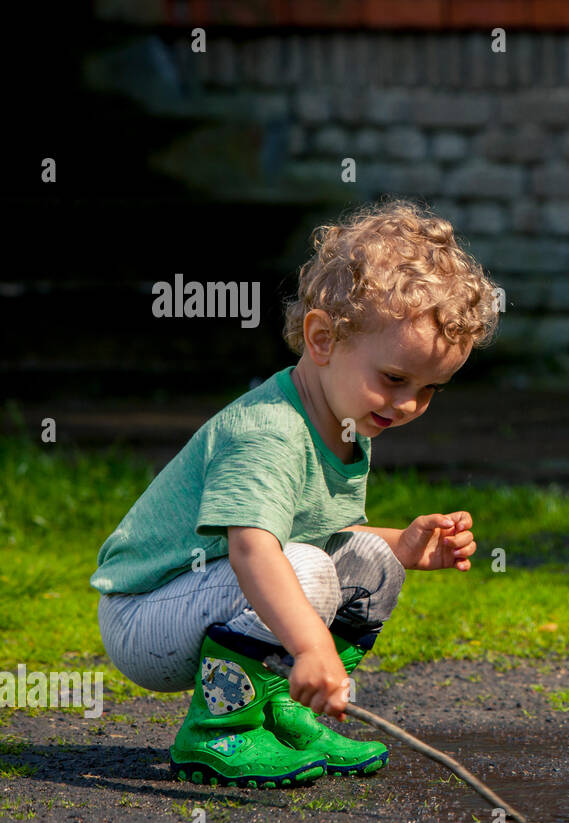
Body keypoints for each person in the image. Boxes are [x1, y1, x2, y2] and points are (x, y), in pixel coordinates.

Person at [90, 197, 499, 787]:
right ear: (323, 339)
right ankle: (219, 730)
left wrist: (403, 545)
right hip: (144, 615)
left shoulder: (345, 418)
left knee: (372, 563)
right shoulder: (270, 431)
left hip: (210, 596)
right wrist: (312, 647)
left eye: (430, 389)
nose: (409, 404)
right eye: (394, 379)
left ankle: (280, 712)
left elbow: (314, 531)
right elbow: (254, 549)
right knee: (302, 568)